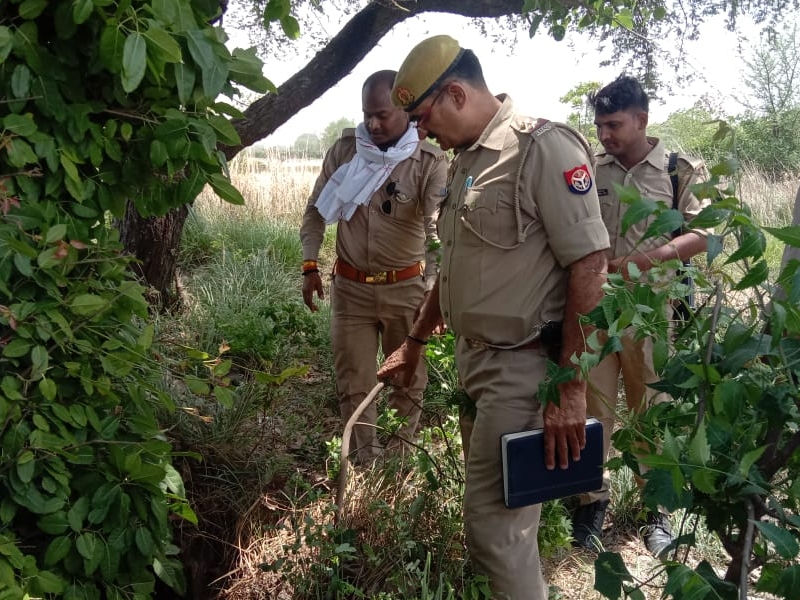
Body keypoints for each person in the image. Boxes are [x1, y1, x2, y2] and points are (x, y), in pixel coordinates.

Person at [376, 35, 610, 599]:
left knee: (493, 534)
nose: (421, 132)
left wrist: (570, 386)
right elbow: (454, 268)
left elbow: (590, 266)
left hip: (524, 371)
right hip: (474, 364)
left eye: (423, 116)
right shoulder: (465, 163)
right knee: (501, 528)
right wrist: (413, 341)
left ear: (456, 93)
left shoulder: (541, 148)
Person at [570, 75, 710, 557]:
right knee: (594, 409)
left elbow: (702, 233)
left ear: (642, 120)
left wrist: (642, 262)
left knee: (651, 409)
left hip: (651, 314)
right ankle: (590, 505)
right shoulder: (592, 168)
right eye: (600, 125)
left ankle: (658, 513)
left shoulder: (676, 170)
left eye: (614, 124)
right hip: (598, 312)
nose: (605, 134)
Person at [299, 70, 447, 464]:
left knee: (408, 382)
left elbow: (438, 233)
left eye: (382, 115)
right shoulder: (344, 152)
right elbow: (316, 211)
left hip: (407, 291)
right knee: (354, 383)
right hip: (351, 291)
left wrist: (434, 291)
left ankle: (396, 469)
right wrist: (309, 264)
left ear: (408, 113)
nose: (373, 124)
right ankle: (366, 465)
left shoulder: (429, 161)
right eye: (367, 115)